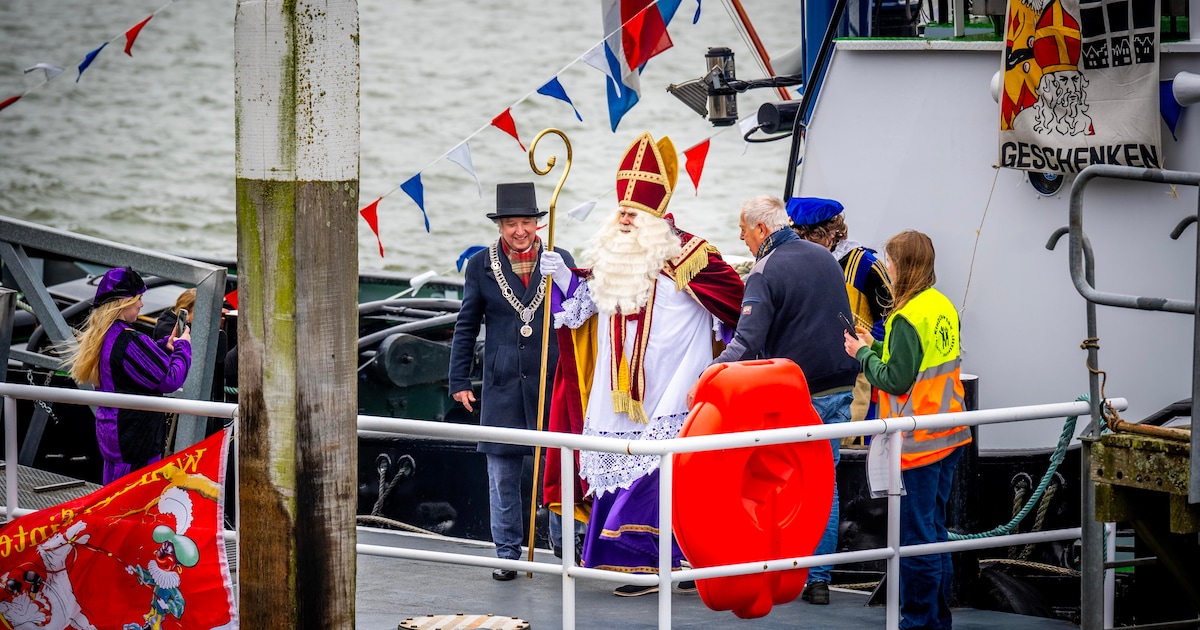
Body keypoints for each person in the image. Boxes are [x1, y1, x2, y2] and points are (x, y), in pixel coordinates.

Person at [539, 132, 743, 597]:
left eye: (635, 213)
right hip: (617, 393)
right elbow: (584, 306)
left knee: (661, 473)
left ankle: (652, 561)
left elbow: (736, 303)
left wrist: (721, 350)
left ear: (657, 216)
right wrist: (563, 276)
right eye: (622, 211)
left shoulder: (690, 256)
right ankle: (633, 559)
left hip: (671, 388)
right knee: (621, 467)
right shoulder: (613, 254)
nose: (625, 218)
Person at [712, 195, 861, 606]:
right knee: (824, 483)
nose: (742, 240)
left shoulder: (764, 270)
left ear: (762, 230)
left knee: (778, 481)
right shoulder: (825, 257)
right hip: (839, 386)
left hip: (795, 394)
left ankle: (777, 570)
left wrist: (709, 375)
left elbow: (745, 342)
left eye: (743, 231)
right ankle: (818, 580)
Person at [843, 230, 971, 630]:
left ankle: (918, 621)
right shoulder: (940, 305)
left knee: (916, 540)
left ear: (905, 267)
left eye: (891, 262)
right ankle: (938, 620)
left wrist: (862, 353)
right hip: (949, 431)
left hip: (918, 442)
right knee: (934, 531)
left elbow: (896, 381)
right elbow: (918, 362)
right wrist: (878, 346)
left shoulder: (904, 317)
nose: (888, 269)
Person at [448, 182, 577, 581]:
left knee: (558, 470)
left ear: (538, 223)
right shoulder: (480, 265)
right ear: (500, 226)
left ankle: (564, 549)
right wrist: (459, 379)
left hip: (551, 381)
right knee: (502, 474)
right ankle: (507, 554)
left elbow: (581, 311)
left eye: (526, 222)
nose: (519, 231)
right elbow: (466, 324)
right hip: (502, 383)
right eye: (511, 224)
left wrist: (569, 278)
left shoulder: (561, 257)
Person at [62, 267, 192, 485]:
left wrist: (163, 346)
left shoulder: (104, 335)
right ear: (124, 302)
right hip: (133, 440)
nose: (142, 304)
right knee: (130, 506)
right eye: (139, 298)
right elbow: (170, 379)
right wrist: (182, 347)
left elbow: (129, 368)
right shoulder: (129, 340)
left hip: (112, 433)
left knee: (111, 497)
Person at [788, 197, 892, 423]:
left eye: (811, 239)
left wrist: (867, 350)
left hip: (854, 372)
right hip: (808, 370)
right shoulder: (797, 261)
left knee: (848, 438)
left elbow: (889, 316)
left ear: (831, 232)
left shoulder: (865, 264)